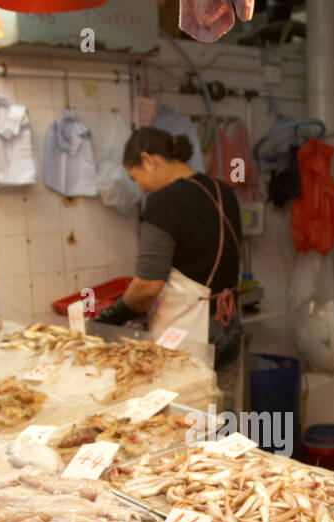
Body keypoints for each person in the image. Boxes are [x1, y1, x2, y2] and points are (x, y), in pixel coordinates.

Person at [96, 126, 244, 408]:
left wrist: (115, 313)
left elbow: (148, 286)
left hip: (189, 335)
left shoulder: (163, 203)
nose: (139, 186)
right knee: (222, 418)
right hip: (227, 329)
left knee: (184, 423)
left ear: (149, 159)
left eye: (135, 177)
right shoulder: (225, 191)